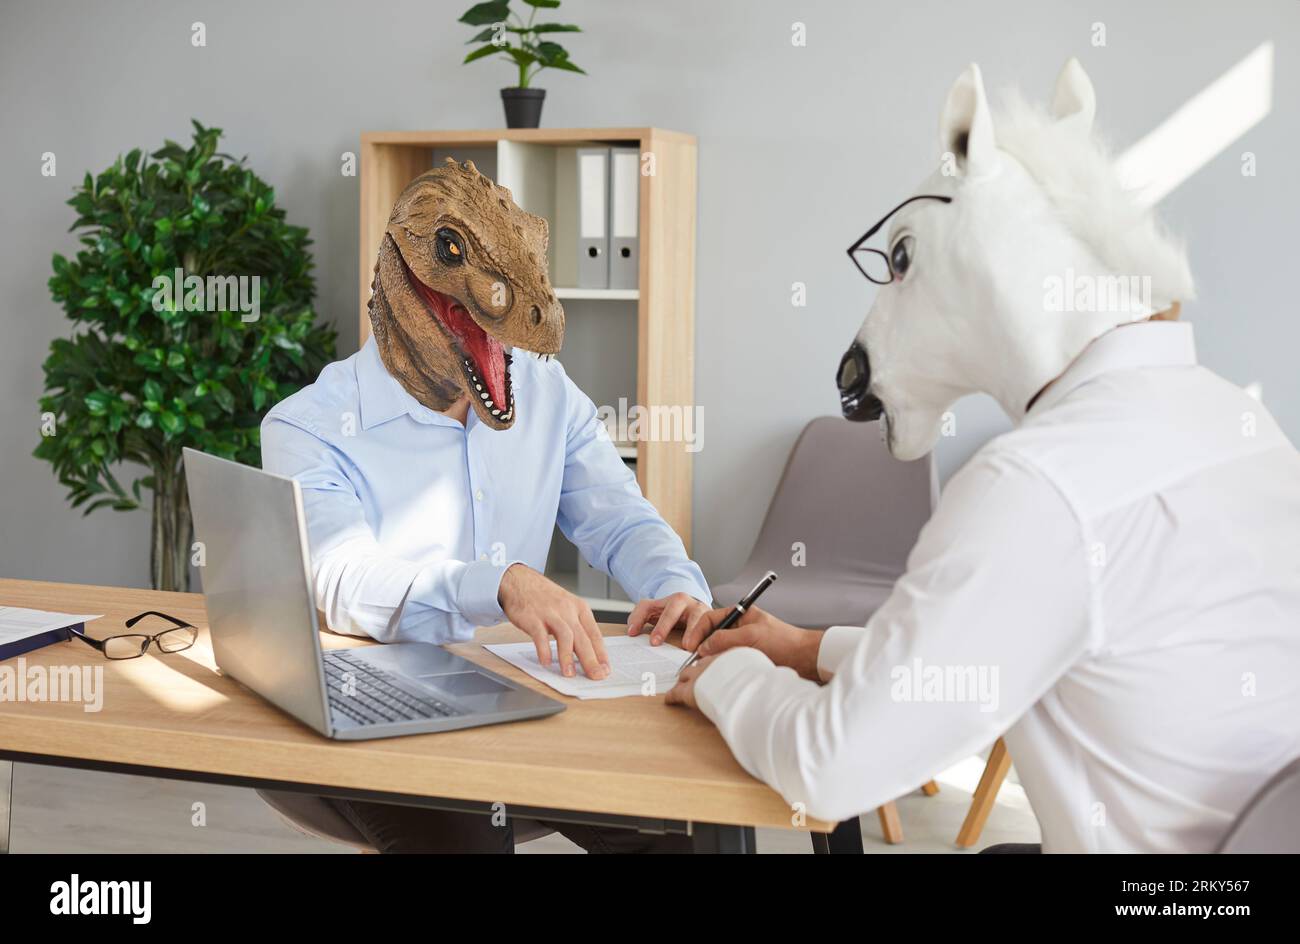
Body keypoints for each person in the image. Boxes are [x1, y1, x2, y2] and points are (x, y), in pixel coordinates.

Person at [666, 59, 1300, 853]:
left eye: (901, 261)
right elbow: (1016, 660)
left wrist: (724, 680)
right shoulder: (1241, 425)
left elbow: (829, 768)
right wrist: (802, 649)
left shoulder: (1041, 486)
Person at [263, 161, 710, 852]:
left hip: (523, 695)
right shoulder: (308, 426)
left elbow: (617, 514)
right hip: (377, 711)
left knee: (676, 824)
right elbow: (339, 579)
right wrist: (496, 586)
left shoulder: (547, 390)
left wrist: (676, 587)